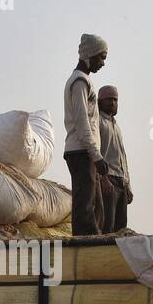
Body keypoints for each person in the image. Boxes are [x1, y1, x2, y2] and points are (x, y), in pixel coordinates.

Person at [63, 33, 109, 235]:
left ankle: (93, 240)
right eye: (101, 57)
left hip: (86, 152)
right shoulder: (79, 82)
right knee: (85, 209)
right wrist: (96, 155)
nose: (103, 63)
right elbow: (83, 123)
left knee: (96, 207)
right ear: (89, 54)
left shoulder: (84, 81)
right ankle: (85, 246)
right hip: (81, 151)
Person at [97, 85, 130, 231]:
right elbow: (95, 152)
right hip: (108, 178)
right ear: (99, 102)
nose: (112, 103)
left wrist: (128, 185)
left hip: (121, 180)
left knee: (121, 228)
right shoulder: (98, 122)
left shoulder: (117, 127)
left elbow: (122, 157)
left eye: (115, 100)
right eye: (108, 100)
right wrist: (103, 179)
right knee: (107, 226)